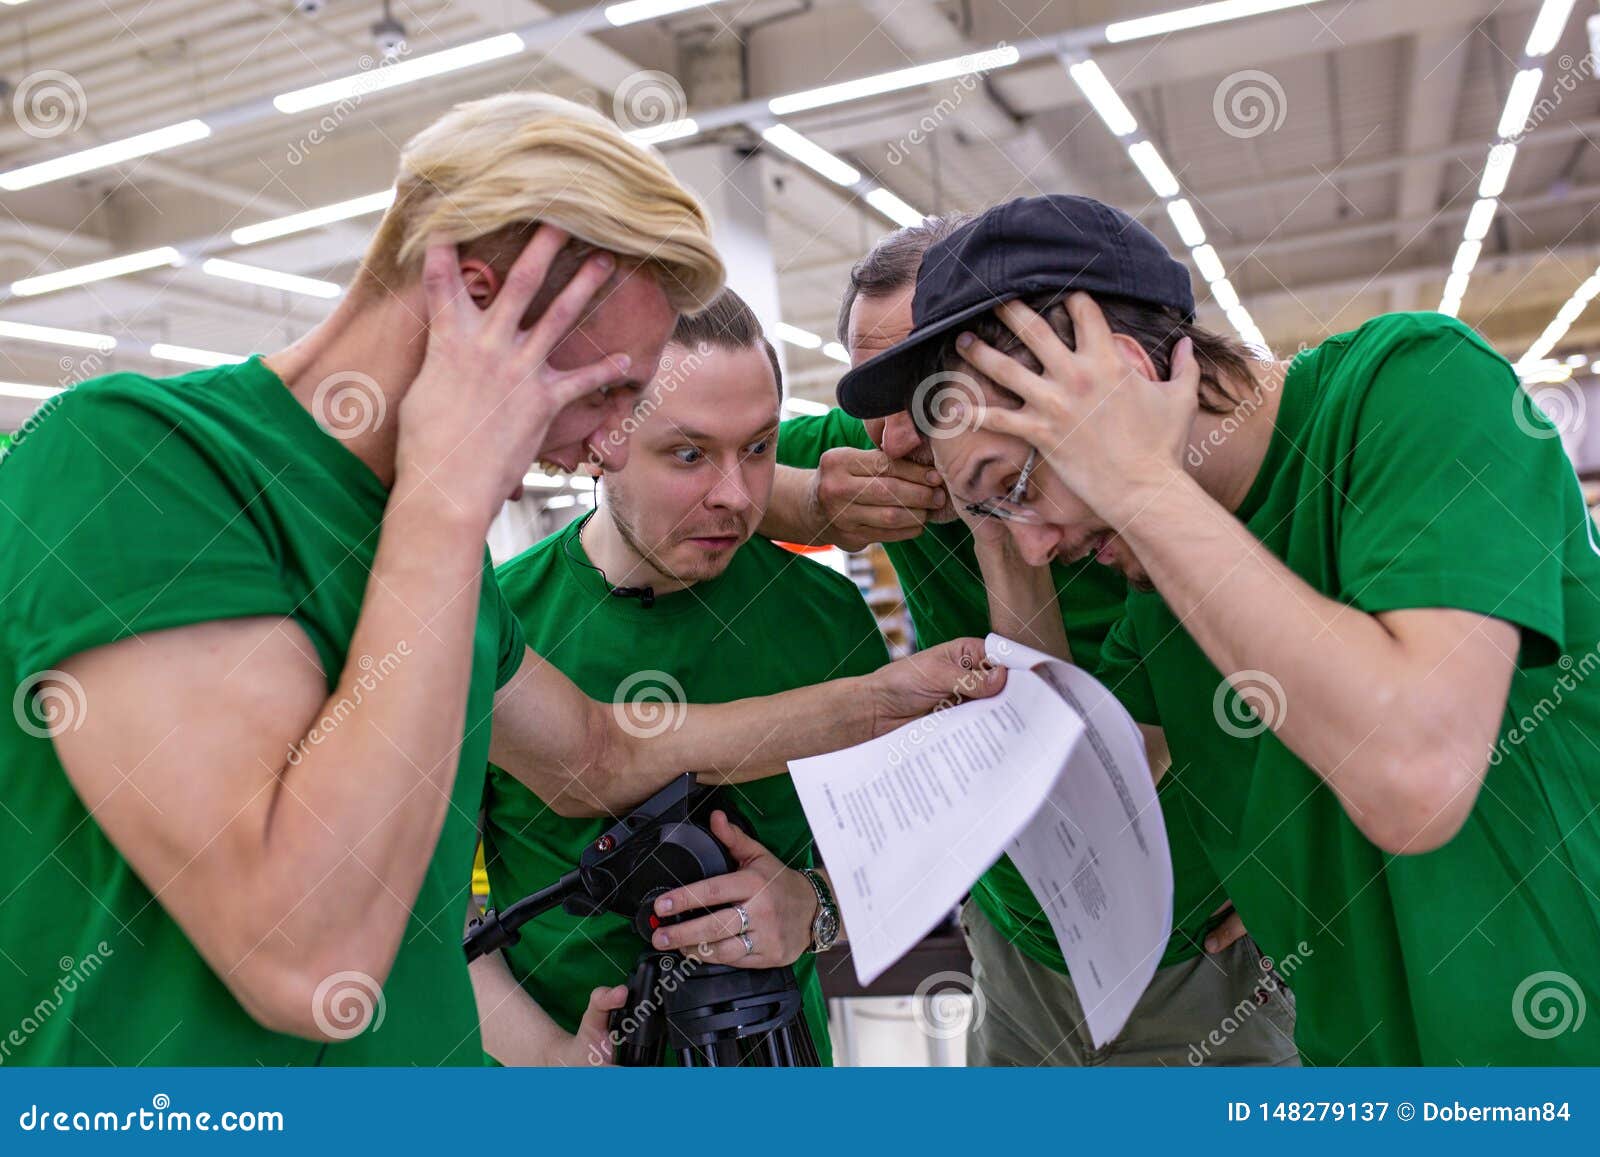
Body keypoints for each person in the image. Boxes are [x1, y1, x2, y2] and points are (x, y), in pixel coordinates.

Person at [0, 93, 1000, 1066]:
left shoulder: (423, 548)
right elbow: (302, 955)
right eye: (607, 390)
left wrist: (888, 698)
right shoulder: (134, 457)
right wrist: (448, 492)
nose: (609, 441)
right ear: (478, 304)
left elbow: (595, 755)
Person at [839, 191, 1600, 1065]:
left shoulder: (1416, 387)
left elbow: (1416, 774)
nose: (1037, 541)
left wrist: (1136, 482)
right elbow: (1075, 794)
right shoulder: (1158, 599)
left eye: (1017, 484)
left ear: (1126, 376)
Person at [761, 214, 1296, 1066]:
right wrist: (807, 500)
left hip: (1208, 943)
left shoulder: (1171, 507)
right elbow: (707, 472)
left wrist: (1317, 847)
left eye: (928, 394)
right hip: (1017, 934)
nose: (898, 436)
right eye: (875, 397)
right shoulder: (892, 456)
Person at [470, 290, 880, 1065]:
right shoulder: (499, 625)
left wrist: (816, 907)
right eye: (689, 454)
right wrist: (552, 1061)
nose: (736, 494)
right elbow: (431, 917)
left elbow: (901, 858)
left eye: (759, 448)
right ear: (600, 440)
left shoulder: (829, 619)